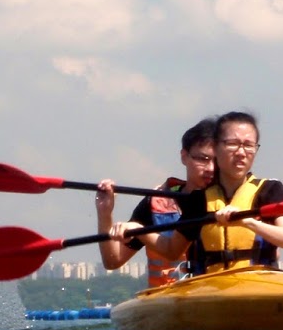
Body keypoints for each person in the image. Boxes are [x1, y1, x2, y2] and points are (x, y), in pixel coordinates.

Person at [166, 111, 283, 275]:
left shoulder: (271, 190)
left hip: (258, 285)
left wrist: (247, 222)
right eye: (233, 144)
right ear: (215, 147)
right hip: (211, 287)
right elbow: (171, 250)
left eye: (249, 145)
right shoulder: (200, 199)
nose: (241, 153)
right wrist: (135, 231)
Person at [94, 119, 219, 287]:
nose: (210, 168)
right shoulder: (154, 203)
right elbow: (112, 261)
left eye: (216, 160)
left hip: (213, 294)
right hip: (168, 300)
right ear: (184, 156)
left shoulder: (230, 199)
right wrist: (105, 214)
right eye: (203, 159)